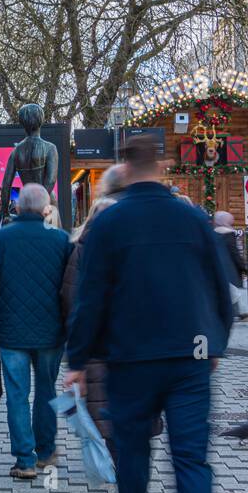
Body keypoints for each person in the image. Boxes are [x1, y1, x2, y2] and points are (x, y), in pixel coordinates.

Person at [66, 137, 234, 493]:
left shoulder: (109, 222)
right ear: (160, 168)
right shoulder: (192, 218)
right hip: (190, 357)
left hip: (132, 358)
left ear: (124, 170)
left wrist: (77, 360)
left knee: (133, 455)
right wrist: (216, 344)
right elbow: (218, 287)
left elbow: (90, 299)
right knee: (191, 459)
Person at [0, 183, 72, 480]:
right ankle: (45, 451)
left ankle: (24, 460)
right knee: (46, 390)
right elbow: (70, 289)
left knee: (17, 395)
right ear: (46, 209)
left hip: (12, 331)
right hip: (51, 332)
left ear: (16, 207)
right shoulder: (61, 240)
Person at [59, 194, 163, 462]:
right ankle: (123, 460)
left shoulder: (81, 249)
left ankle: (120, 459)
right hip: (124, 344)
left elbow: (71, 299)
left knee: (106, 405)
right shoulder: (136, 247)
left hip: (97, 343)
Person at [213, 211, 248, 320]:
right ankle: (237, 313)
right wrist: (243, 267)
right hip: (229, 266)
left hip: (217, 265)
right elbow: (234, 252)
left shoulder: (212, 232)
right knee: (233, 291)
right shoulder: (229, 233)